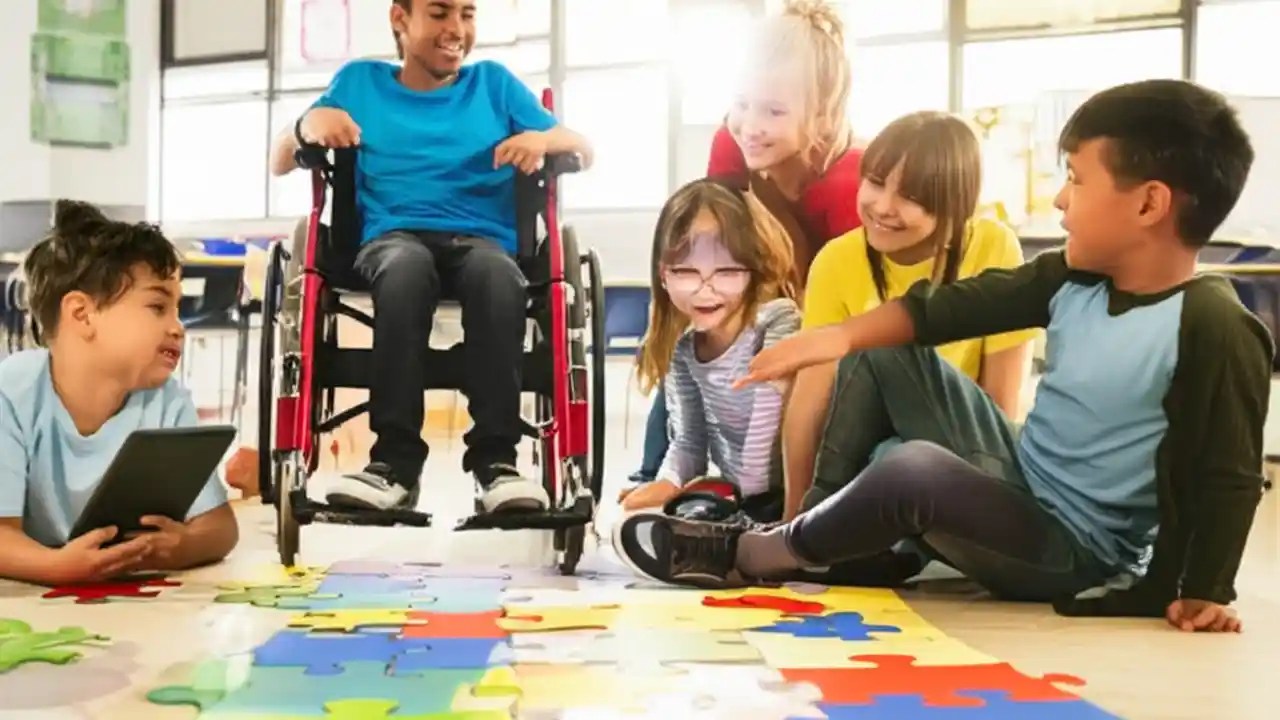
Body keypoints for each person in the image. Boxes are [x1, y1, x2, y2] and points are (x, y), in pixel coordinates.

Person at [612, 79, 1268, 634]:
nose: (1062, 200)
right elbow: (950, 310)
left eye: (1075, 180)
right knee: (885, 352)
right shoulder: (1071, 279)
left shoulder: (1211, 323)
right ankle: (815, 536)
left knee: (912, 468)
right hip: (1020, 473)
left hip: (1073, 549)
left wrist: (1206, 588)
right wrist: (839, 338)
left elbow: (1229, 472)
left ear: (1150, 203)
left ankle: (758, 554)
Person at [267, 0, 593, 514]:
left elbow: (581, 147)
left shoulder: (494, 83)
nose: (456, 30)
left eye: (466, 15)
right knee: (404, 271)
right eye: (440, 13)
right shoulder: (359, 83)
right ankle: (394, 465)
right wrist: (310, 123)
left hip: (481, 241)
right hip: (390, 238)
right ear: (400, 18)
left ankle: (497, 464)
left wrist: (541, 138)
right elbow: (281, 157)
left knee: (497, 277)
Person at [633, 0, 861, 485]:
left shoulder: (849, 183)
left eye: (774, 111)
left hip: (830, 323)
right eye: (741, 103)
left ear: (821, 116)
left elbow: (858, 299)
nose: (750, 126)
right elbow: (718, 237)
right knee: (688, 343)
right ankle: (654, 478)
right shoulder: (731, 142)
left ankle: (778, 492)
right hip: (764, 294)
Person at [782, 111, 1036, 520]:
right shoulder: (837, 260)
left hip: (960, 454)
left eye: (912, 197)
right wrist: (790, 516)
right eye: (876, 183)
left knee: (887, 356)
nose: (883, 207)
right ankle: (813, 534)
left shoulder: (993, 246)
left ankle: (820, 537)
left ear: (954, 206)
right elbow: (810, 399)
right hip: (876, 456)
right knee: (889, 454)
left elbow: (999, 409)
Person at [0, 201, 239, 585]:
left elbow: (221, 527)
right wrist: (56, 567)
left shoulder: (167, 401)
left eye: (178, 309)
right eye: (158, 306)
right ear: (82, 314)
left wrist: (183, 546)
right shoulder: (11, 395)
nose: (178, 327)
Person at [616, 179, 800, 522]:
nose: (705, 290)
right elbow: (689, 440)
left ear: (754, 268)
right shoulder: (684, 351)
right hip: (742, 495)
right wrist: (667, 482)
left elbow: (767, 419)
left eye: (727, 271)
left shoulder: (778, 319)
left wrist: (743, 496)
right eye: (686, 272)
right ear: (664, 275)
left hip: (792, 492)